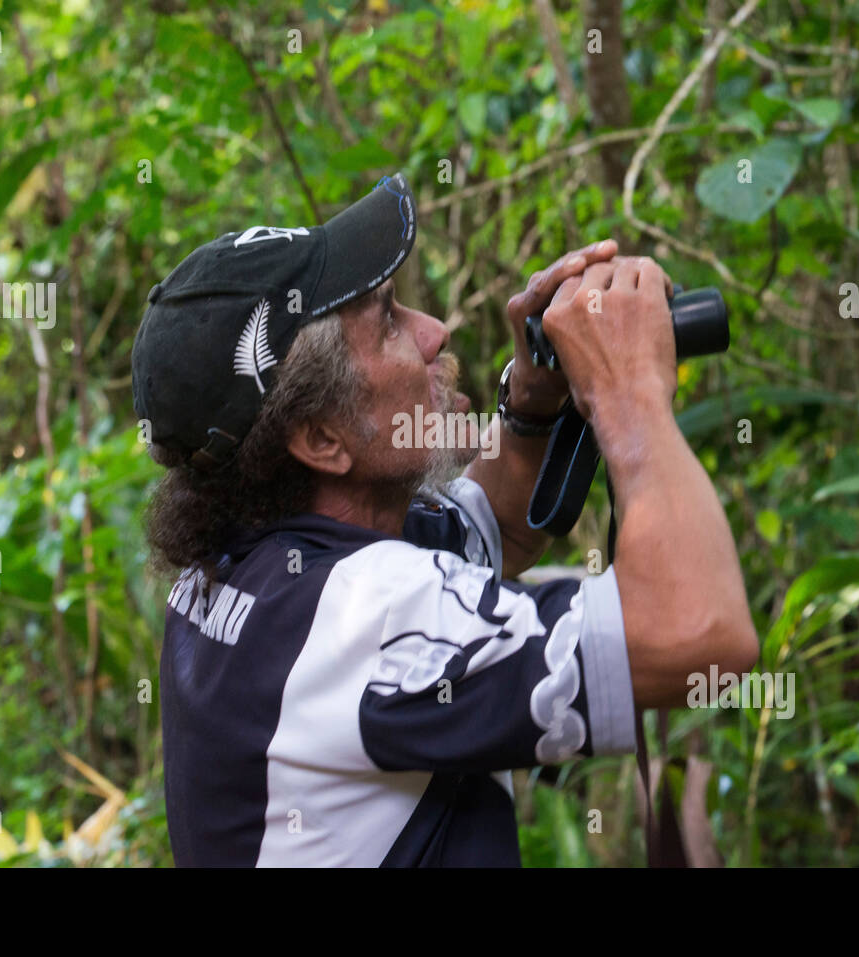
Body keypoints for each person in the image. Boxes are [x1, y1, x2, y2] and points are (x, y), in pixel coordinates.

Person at [132, 171, 758, 866]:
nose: (435, 333)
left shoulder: (243, 565)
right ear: (321, 440)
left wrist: (532, 400)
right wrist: (630, 392)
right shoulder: (366, 616)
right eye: (390, 320)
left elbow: (498, 531)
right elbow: (702, 634)